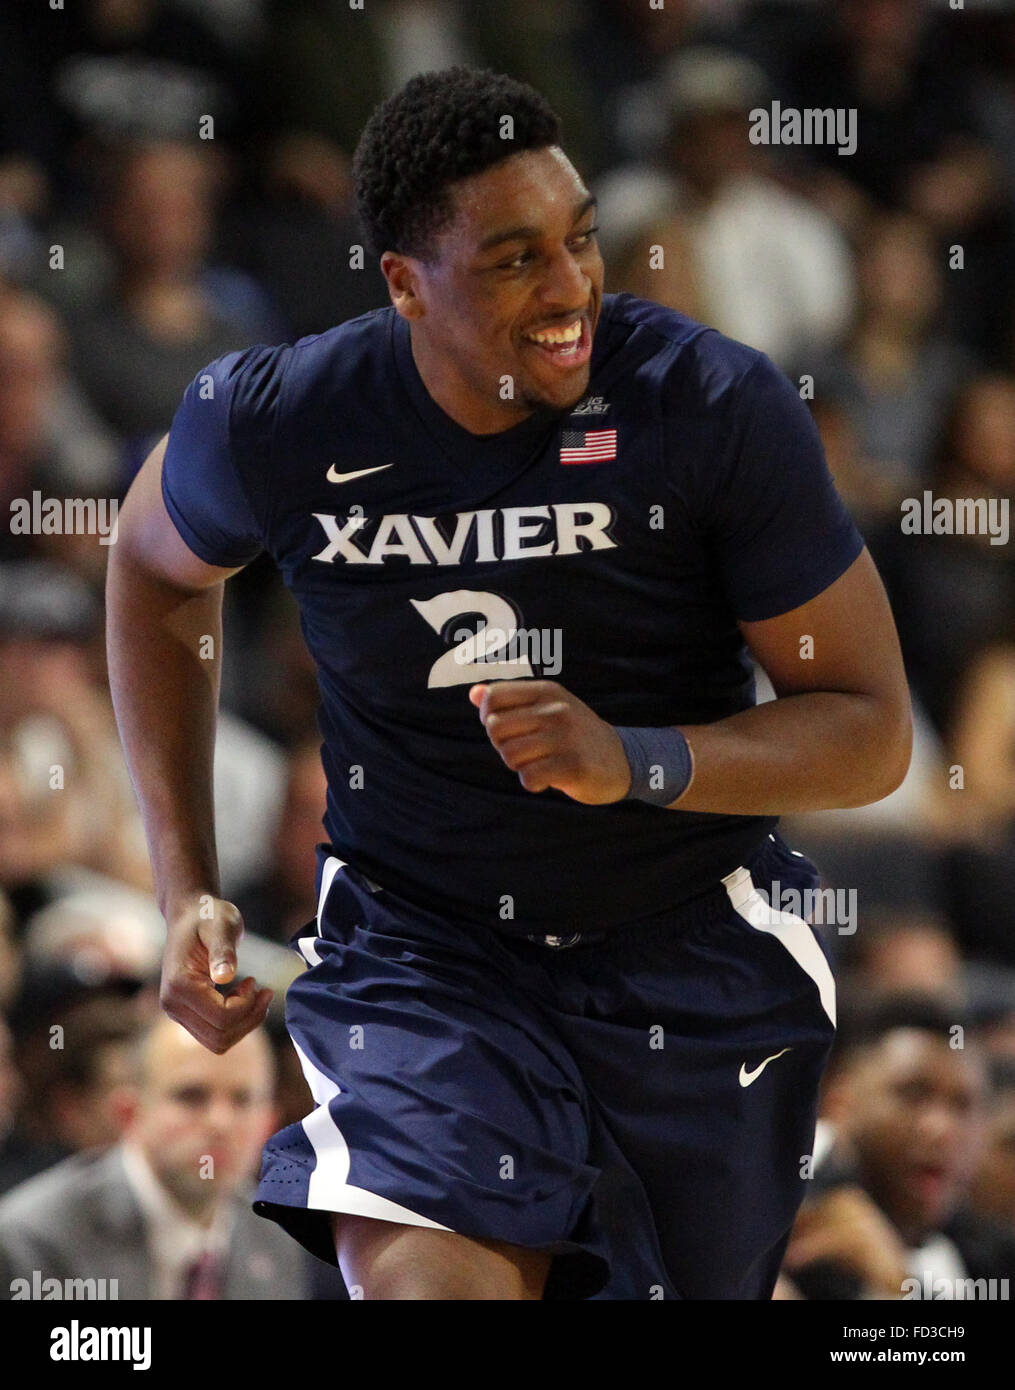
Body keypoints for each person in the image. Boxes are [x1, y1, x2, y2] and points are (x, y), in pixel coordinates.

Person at [105, 67, 912, 1300]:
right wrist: (184, 887)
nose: (571, 290)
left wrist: (634, 758)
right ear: (402, 284)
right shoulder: (281, 416)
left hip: (690, 945)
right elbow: (154, 571)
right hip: (425, 954)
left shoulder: (707, 404)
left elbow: (870, 733)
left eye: (582, 242)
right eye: (515, 260)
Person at [0, 1014, 306, 1299]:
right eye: (191, 1096)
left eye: (243, 1100)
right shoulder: (38, 1238)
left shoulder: (279, 1239)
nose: (220, 1123)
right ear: (129, 1113)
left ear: (269, 1122)